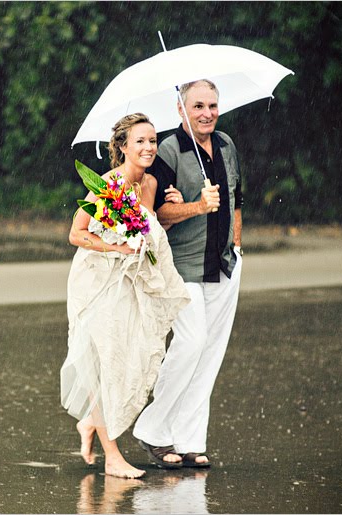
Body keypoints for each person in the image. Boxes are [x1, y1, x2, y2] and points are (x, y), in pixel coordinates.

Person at [60, 113, 190, 479]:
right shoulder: (109, 184)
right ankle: (114, 457)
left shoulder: (147, 184)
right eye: (140, 142)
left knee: (128, 359)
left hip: (130, 284)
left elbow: (147, 230)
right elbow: (77, 233)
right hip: (98, 282)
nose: (149, 148)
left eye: (152, 141)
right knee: (105, 364)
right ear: (122, 147)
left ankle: (91, 423)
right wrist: (116, 249)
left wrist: (168, 215)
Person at [134, 79, 243, 469]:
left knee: (210, 355)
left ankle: (189, 440)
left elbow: (237, 200)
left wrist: (237, 246)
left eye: (212, 105)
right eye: (197, 106)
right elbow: (156, 216)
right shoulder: (168, 149)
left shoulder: (227, 145)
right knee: (191, 343)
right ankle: (153, 430)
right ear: (181, 110)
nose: (206, 113)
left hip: (225, 265)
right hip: (182, 266)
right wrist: (197, 206)